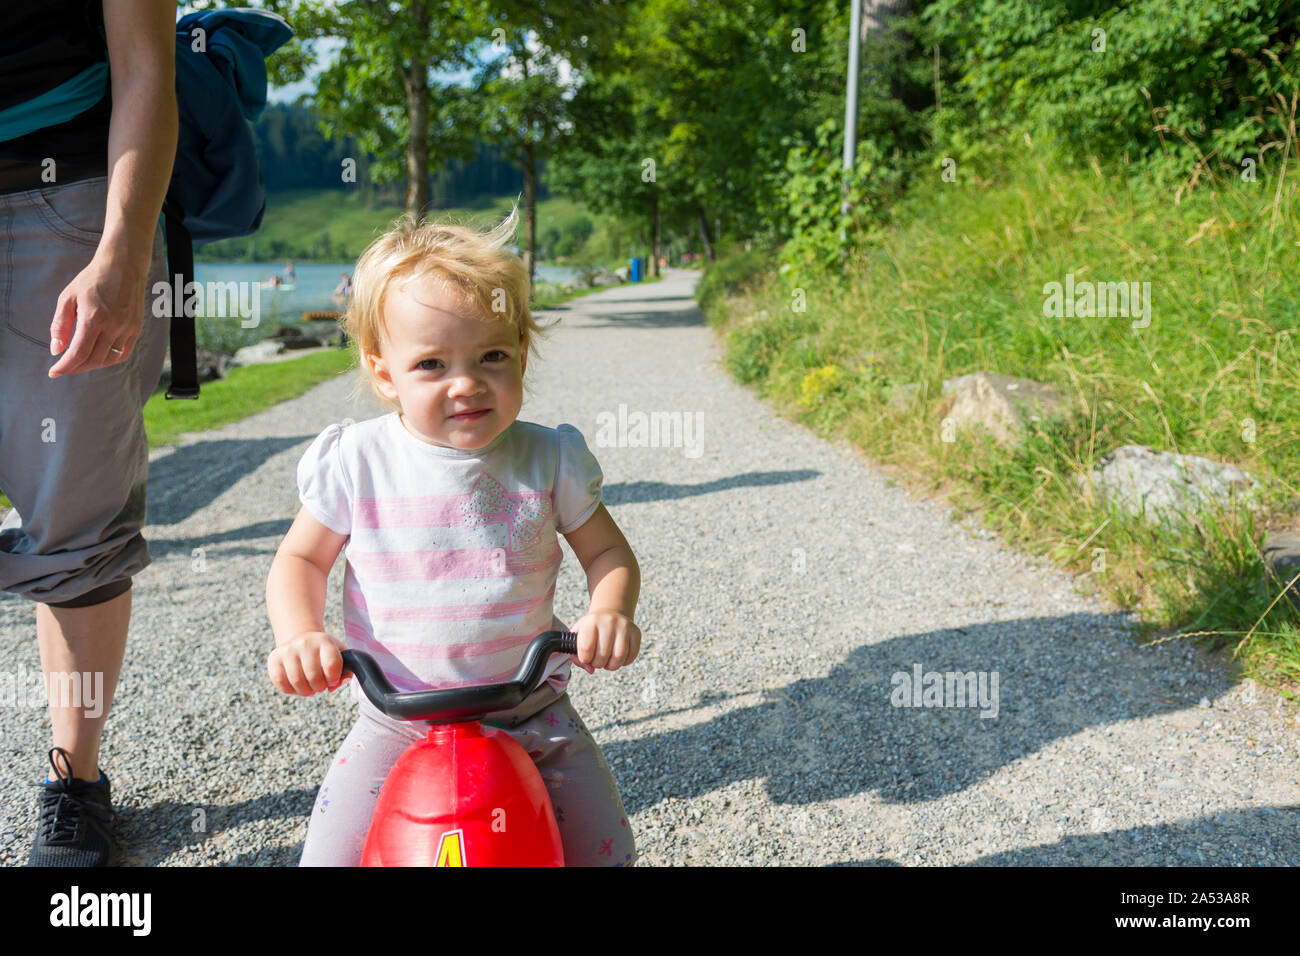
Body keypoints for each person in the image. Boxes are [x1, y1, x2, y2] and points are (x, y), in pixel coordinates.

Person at [264, 208, 642, 867]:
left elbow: (608, 552)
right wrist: (300, 633)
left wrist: (609, 610)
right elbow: (299, 559)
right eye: (432, 364)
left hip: (532, 713)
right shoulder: (357, 462)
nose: (466, 383)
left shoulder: (548, 458)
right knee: (329, 855)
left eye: (491, 356)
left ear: (523, 354)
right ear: (385, 376)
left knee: (604, 846)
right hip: (398, 717)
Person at [0, 0, 177, 866]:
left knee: (74, 527)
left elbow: (145, 65)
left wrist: (124, 247)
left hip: (63, 201)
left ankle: (75, 787)